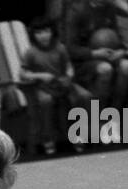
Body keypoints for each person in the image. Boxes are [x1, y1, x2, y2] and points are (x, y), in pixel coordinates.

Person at [19, 16, 91, 156]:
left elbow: (69, 66)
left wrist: (69, 76)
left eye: (46, 31)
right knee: (46, 101)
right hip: (42, 87)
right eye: (38, 33)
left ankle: (80, 135)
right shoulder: (31, 52)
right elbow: (23, 74)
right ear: (33, 35)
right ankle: (48, 139)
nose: (43, 36)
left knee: (85, 96)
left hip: (62, 83)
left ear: (52, 31)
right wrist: (40, 76)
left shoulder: (60, 48)